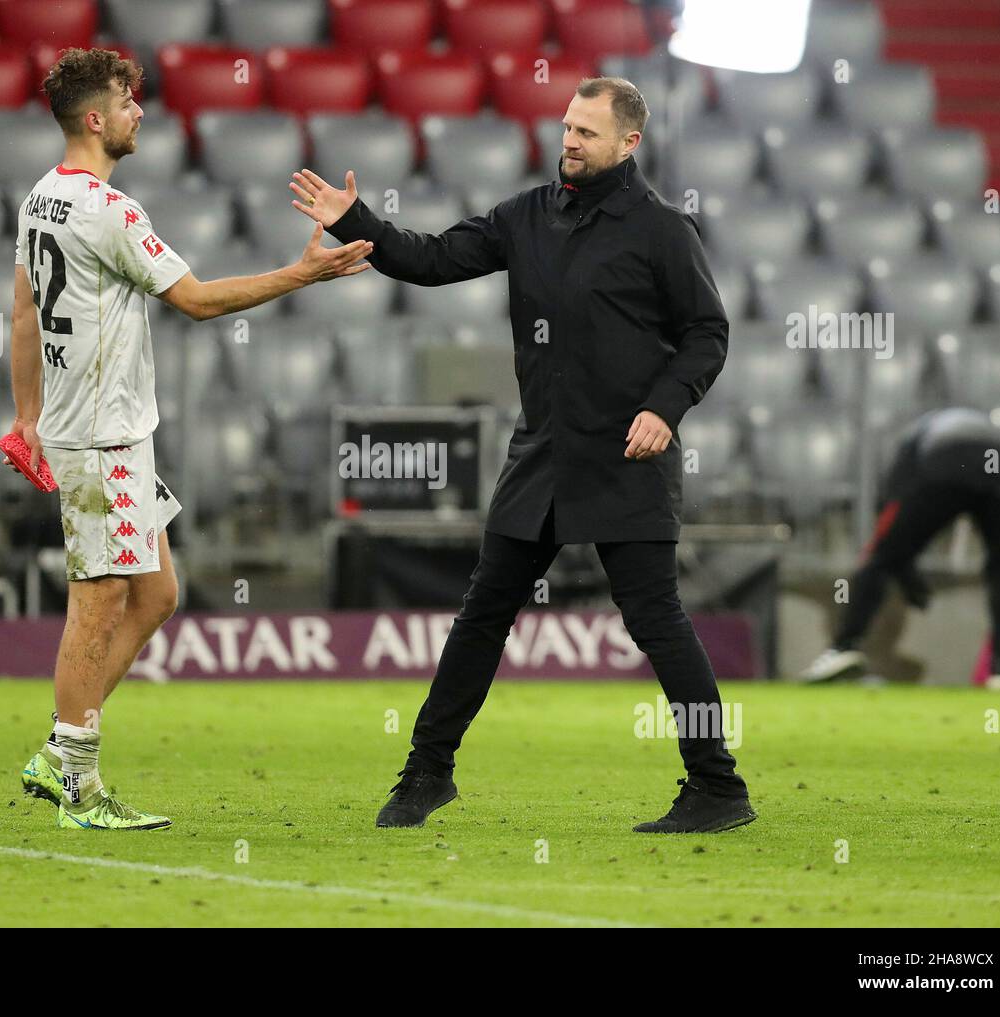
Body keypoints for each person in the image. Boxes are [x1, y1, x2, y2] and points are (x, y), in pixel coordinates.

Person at [292, 77, 755, 833]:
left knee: (657, 619)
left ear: (629, 144)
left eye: (587, 133)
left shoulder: (664, 230)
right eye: (567, 127)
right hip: (542, 455)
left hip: (627, 455)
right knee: (483, 613)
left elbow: (708, 332)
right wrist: (357, 221)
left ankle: (718, 785)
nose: (569, 141)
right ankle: (426, 772)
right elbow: (433, 259)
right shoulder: (526, 215)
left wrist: (664, 409)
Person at [10, 48, 374, 830]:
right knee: (99, 596)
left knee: (157, 592)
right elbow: (199, 301)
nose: (141, 110)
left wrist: (25, 413)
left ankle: (60, 747)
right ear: (96, 118)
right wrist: (301, 274)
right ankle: (78, 783)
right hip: (102, 438)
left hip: (108, 432)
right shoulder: (110, 211)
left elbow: (22, 309)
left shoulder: (41, 198)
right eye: (128, 100)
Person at [800, 407, 1000, 689]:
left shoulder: (917, 436)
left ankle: (843, 647)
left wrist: (906, 575)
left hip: (949, 462)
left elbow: (893, 510)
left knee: (880, 556)